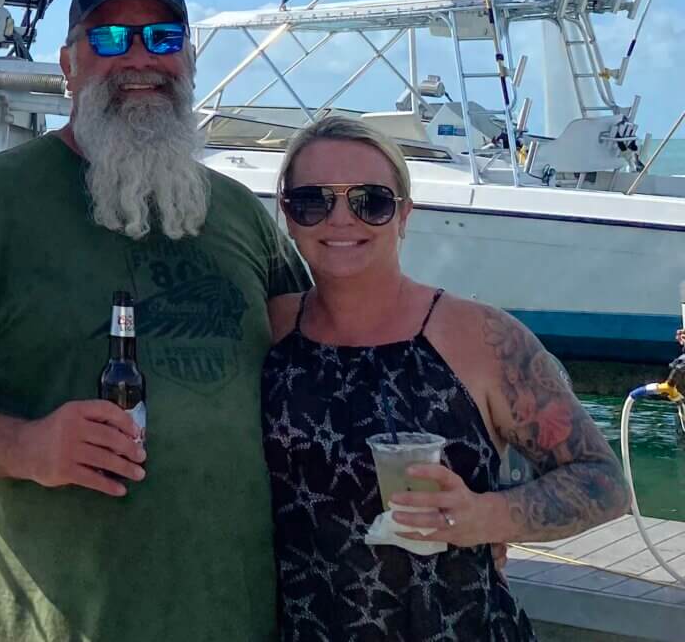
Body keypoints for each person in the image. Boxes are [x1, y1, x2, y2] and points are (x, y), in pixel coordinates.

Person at [0, 0, 309, 641]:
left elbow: (321, 359)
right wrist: (27, 447)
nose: (139, 58)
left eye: (162, 37)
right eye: (108, 38)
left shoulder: (238, 213)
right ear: (69, 65)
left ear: (188, 60)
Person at [263, 114, 628, 641]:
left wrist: (485, 517)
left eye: (370, 201)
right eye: (313, 201)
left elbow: (603, 481)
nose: (341, 219)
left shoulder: (480, 338)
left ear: (404, 214)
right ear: (288, 214)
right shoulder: (271, 330)